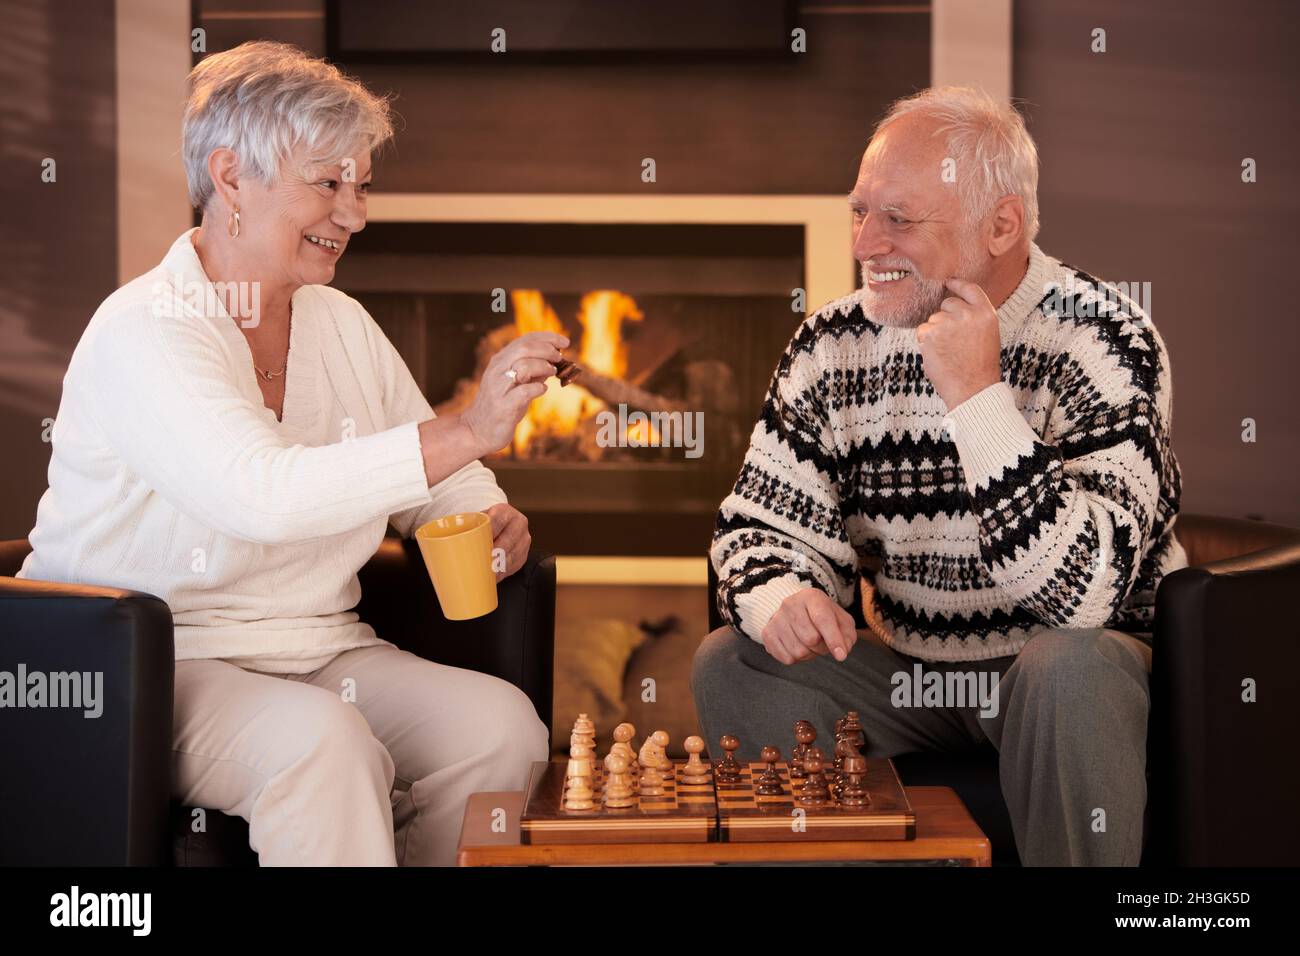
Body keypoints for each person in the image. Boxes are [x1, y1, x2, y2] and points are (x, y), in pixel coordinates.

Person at [16, 41, 560, 866]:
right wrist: (466, 430)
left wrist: (478, 513)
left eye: (363, 185)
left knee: (499, 730)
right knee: (321, 744)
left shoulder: (340, 324)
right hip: (149, 660)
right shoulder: (147, 328)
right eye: (329, 182)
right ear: (231, 177)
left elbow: (434, 480)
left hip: (317, 648)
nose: (356, 212)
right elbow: (259, 495)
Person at [691, 86, 1187, 866]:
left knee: (1068, 668)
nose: (865, 244)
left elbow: (1085, 598)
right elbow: (759, 522)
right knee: (735, 661)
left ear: (1001, 226)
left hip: (1066, 672)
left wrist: (978, 399)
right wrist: (782, 593)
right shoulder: (834, 343)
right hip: (913, 676)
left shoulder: (1106, 339)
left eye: (899, 219)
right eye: (860, 212)